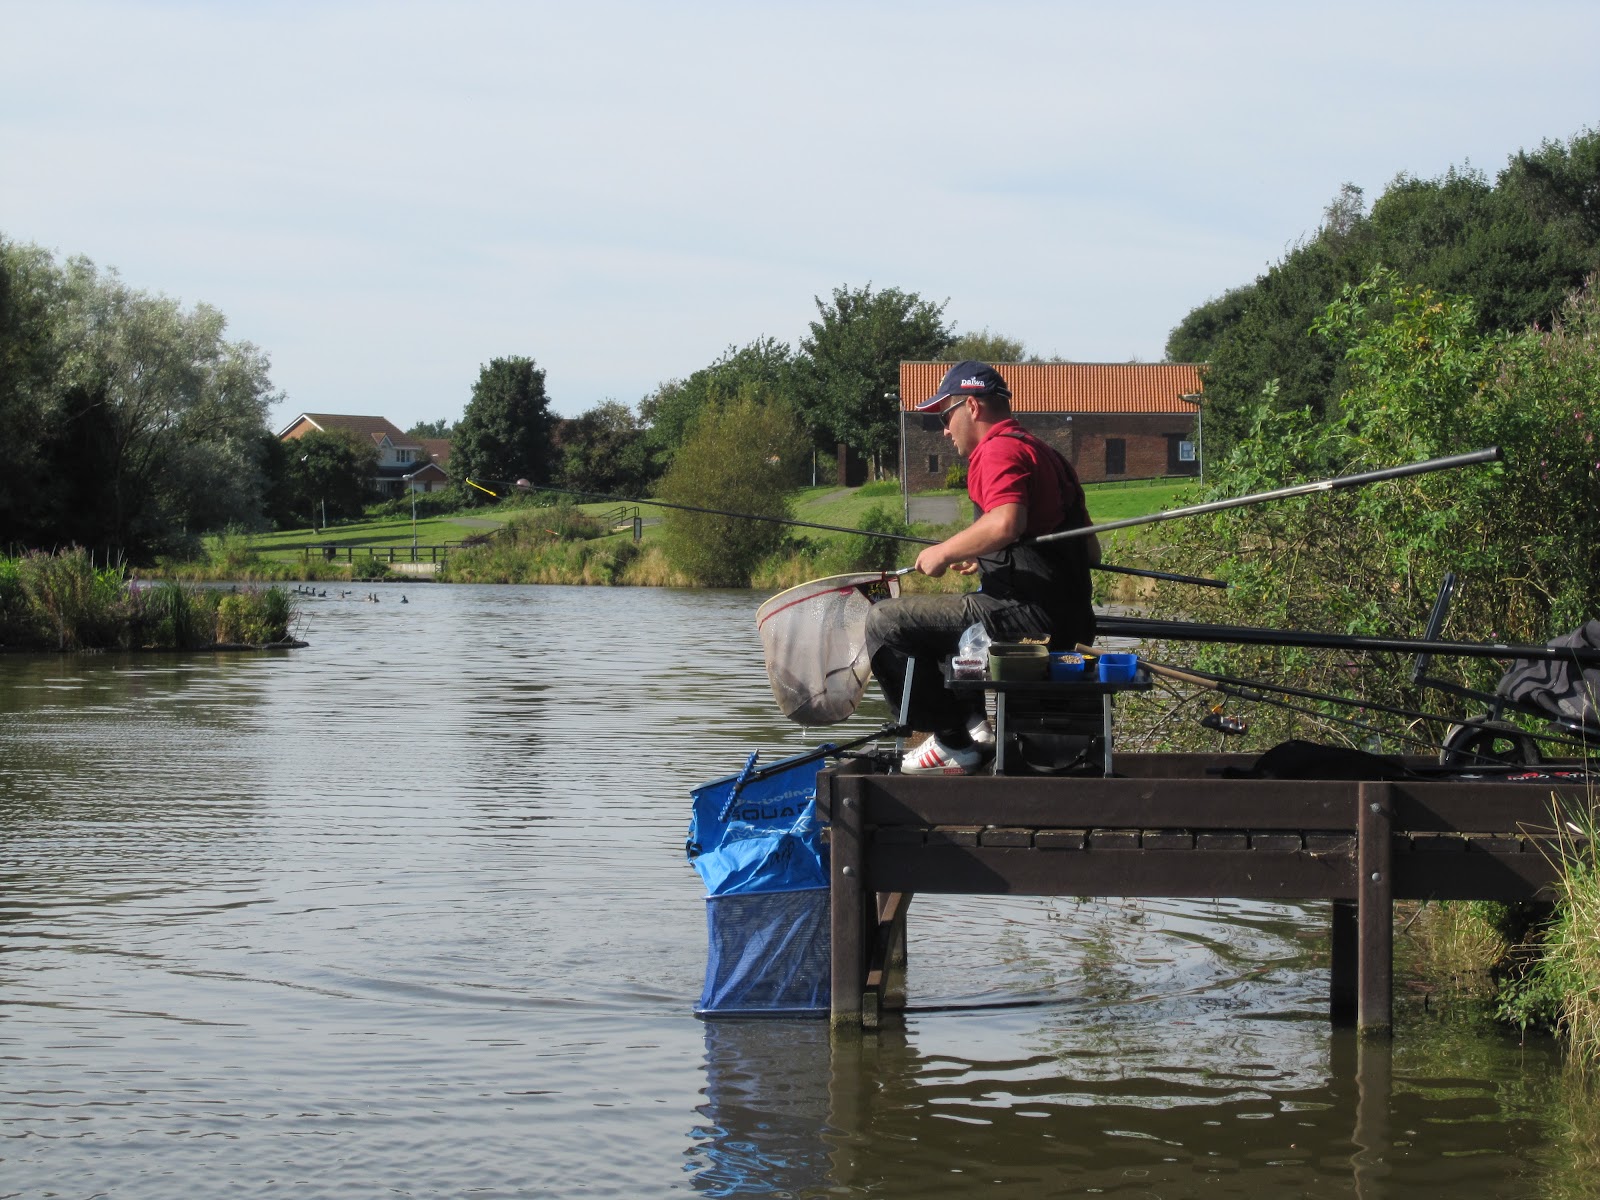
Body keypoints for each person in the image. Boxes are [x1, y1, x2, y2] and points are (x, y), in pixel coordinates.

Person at [867, 360, 1100, 775]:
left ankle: (952, 739)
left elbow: (1007, 521)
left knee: (885, 621)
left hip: (1029, 617)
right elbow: (1089, 551)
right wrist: (989, 554)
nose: (943, 428)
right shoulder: (1044, 451)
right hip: (1073, 619)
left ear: (971, 406)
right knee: (950, 616)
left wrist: (942, 551)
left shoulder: (996, 449)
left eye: (944, 415)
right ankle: (974, 725)